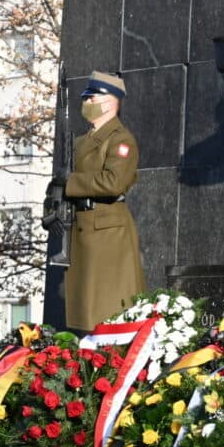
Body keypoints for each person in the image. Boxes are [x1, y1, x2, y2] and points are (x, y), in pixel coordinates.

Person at [54, 71, 145, 334]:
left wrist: (69, 182)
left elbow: (113, 181)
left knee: (106, 310)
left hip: (106, 232)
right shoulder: (81, 141)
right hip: (79, 227)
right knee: (83, 312)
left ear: (109, 101)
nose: (87, 103)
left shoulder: (120, 140)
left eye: (91, 97)